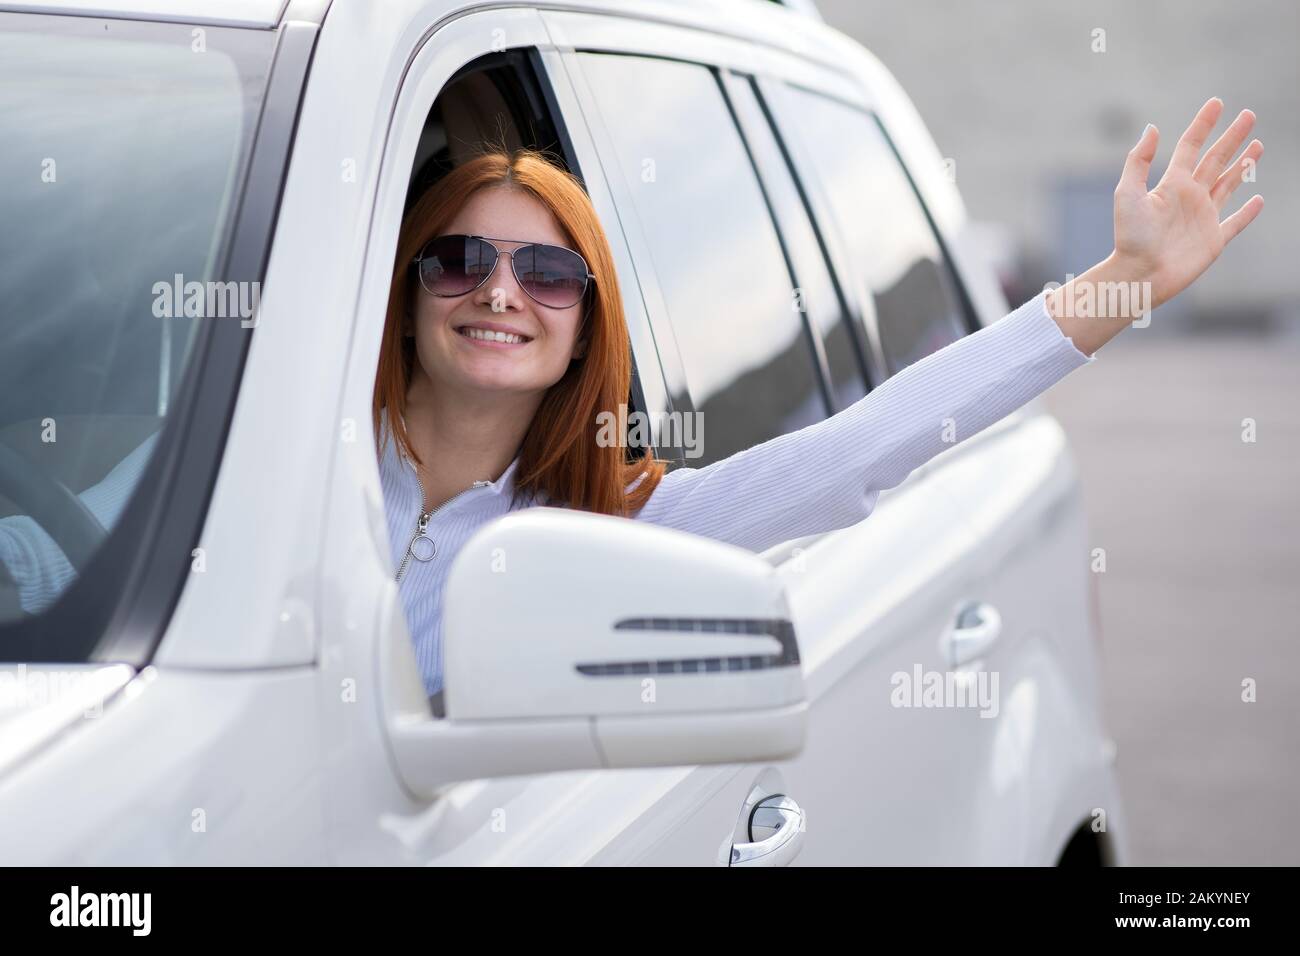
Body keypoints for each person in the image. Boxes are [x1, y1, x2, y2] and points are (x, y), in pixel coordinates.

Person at [372, 99, 1264, 700]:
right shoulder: (272, 458)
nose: (498, 294)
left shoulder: (615, 527)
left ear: (583, 335)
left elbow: (858, 449)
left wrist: (1121, 284)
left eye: (548, 275)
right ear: (406, 301)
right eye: (458, 261)